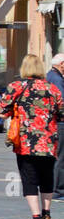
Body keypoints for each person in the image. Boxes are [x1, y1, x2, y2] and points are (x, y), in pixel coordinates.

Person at [0, 54, 64, 219]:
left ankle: (36, 218)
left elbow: (2, 110)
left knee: (29, 178)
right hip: (49, 141)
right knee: (47, 177)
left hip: (27, 141)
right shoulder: (52, 88)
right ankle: (47, 214)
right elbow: (62, 112)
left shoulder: (17, 86)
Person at [49, 54, 64, 201]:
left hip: (55, 122)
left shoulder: (51, 76)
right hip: (60, 123)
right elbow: (62, 101)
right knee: (60, 158)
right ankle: (58, 190)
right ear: (62, 64)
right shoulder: (57, 79)